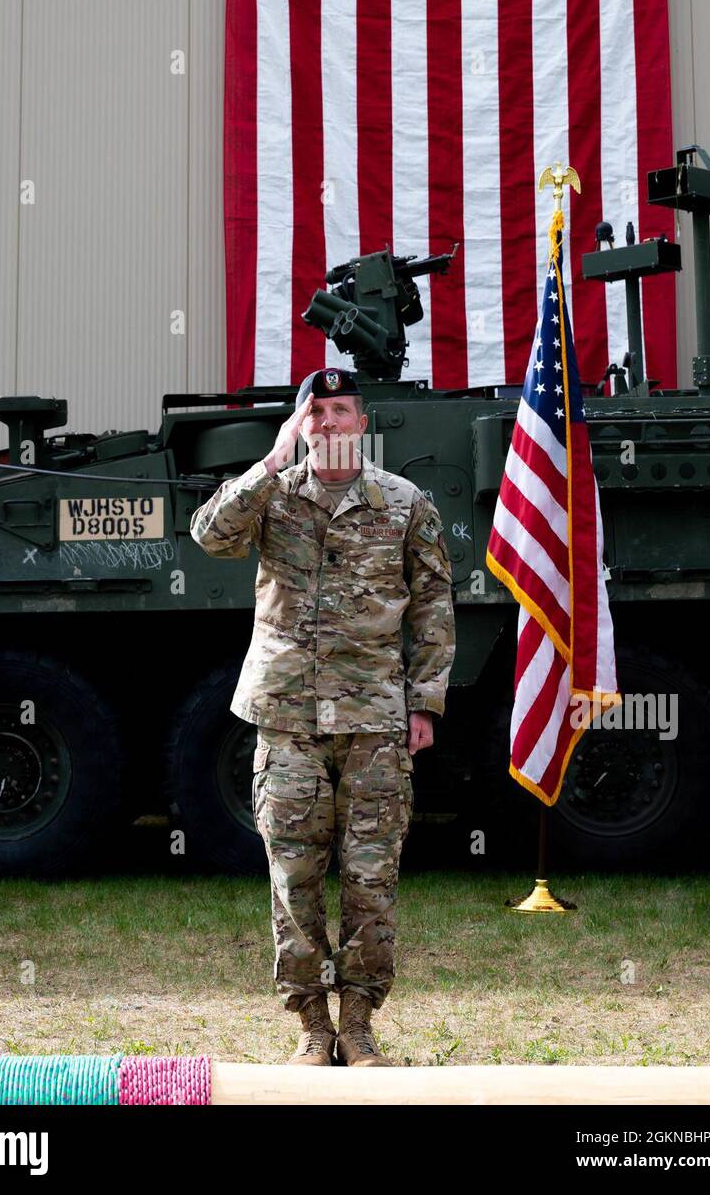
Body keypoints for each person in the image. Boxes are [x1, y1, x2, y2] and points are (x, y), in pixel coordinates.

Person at [190, 366, 455, 1066]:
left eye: (341, 411)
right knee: (293, 874)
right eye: (316, 412)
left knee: (372, 874)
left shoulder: (403, 503)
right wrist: (272, 460)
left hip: (374, 717)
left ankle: (360, 1022)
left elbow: (432, 605)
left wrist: (424, 703)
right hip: (289, 718)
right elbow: (210, 536)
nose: (329, 423)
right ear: (301, 423)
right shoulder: (272, 496)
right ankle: (312, 1024)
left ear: (362, 421)